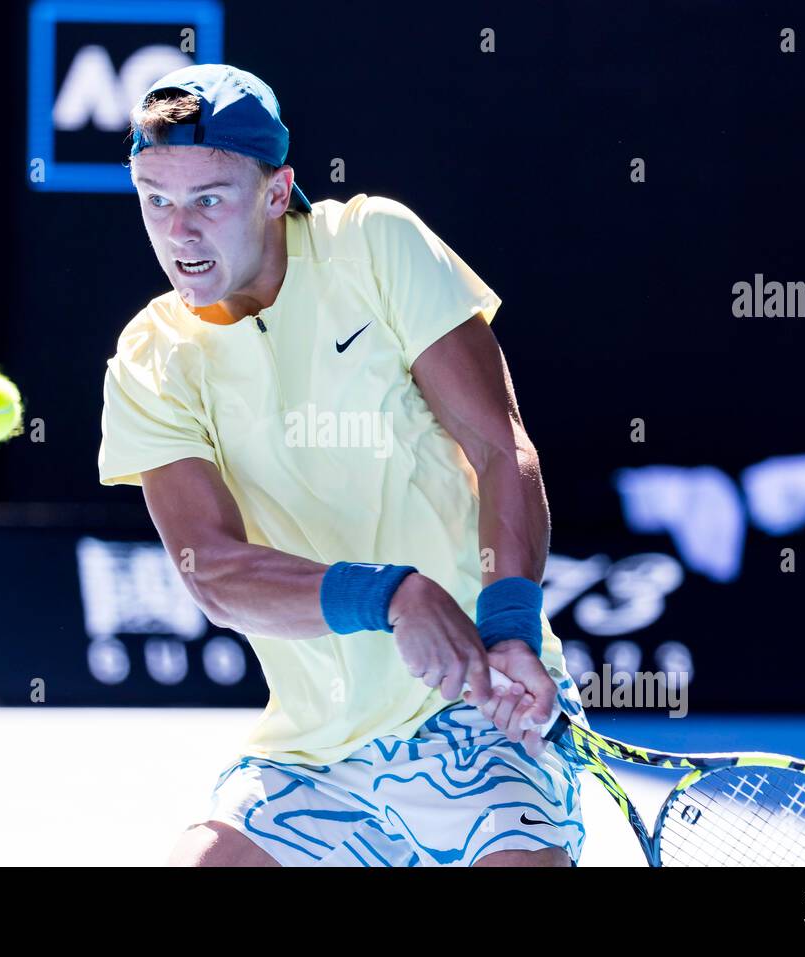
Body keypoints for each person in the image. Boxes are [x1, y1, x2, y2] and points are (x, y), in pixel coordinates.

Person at [98, 64, 589, 867]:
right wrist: (388, 595)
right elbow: (212, 572)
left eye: (209, 199)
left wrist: (507, 627)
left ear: (275, 189)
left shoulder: (372, 243)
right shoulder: (150, 361)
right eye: (156, 198)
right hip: (314, 753)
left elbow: (502, 447)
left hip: (476, 714)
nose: (179, 233)